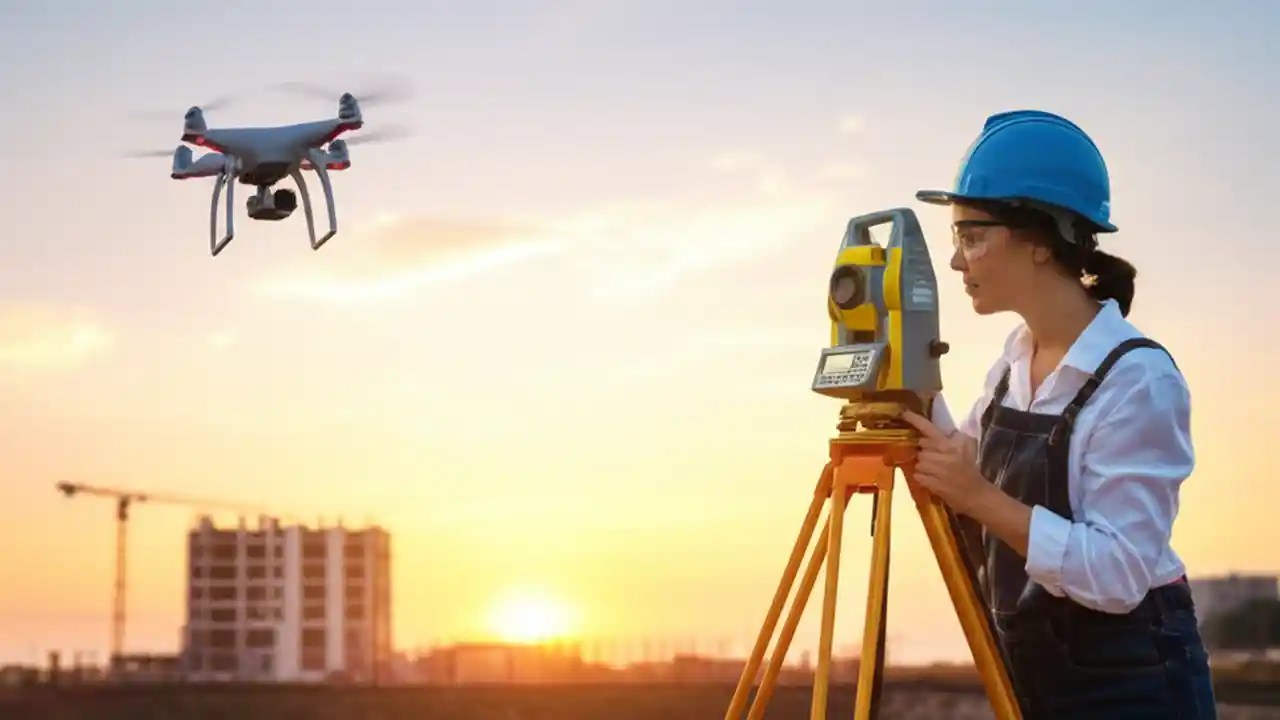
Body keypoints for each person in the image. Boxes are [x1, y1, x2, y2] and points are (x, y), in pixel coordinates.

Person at [898, 110, 1218, 719]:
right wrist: (906, 382)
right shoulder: (1013, 362)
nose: (957, 263)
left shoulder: (1136, 379)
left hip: (1133, 684)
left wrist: (981, 499)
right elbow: (958, 465)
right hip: (1041, 677)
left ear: (1041, 240)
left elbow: (1119, 573)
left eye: (972, 236)